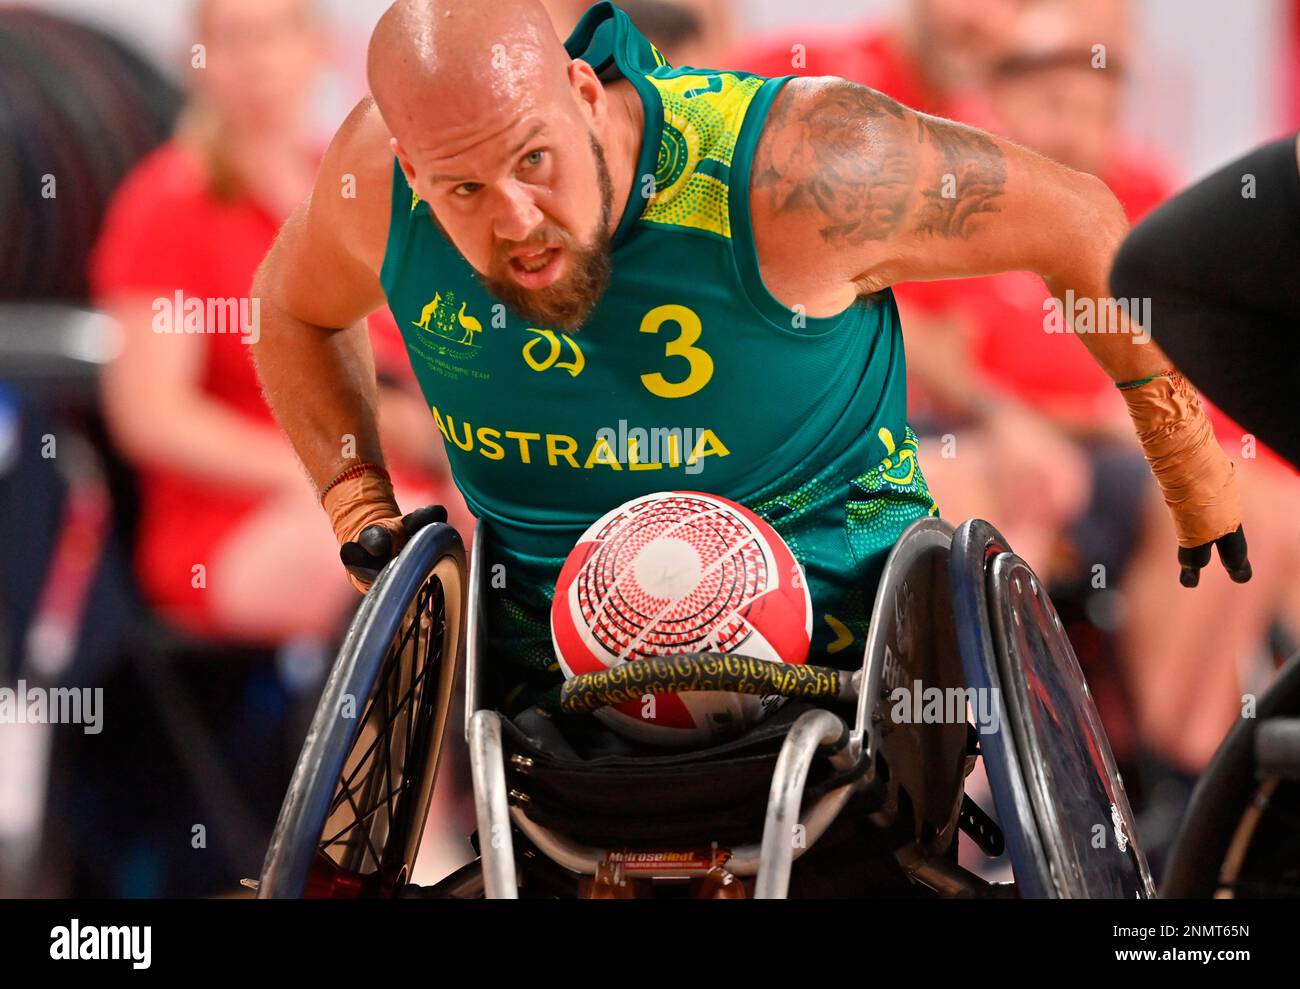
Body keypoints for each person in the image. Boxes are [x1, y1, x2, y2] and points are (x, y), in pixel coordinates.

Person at [250, 0, 1248, 718]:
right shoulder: (374, 181)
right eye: (462, 191)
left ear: (583, 90)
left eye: (533, 159)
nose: (515, 219)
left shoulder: (800, 167)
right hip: (547, 680)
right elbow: (289, 309)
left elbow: (1076, 216)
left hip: (841, 663)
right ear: (416, 175)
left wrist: (1188, 463)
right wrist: (357, 505)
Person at [93, 0, 466, 645]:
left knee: (503, 539)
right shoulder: (168, 203)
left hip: (386, 482)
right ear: (198, 61)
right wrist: (322, 477)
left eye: (274, 36)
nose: (256, 62)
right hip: (238, 515)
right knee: (410, 572)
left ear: (319, 47)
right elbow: (152, 416)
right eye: (232, 42)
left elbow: (412, 367)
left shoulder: (353, 187)